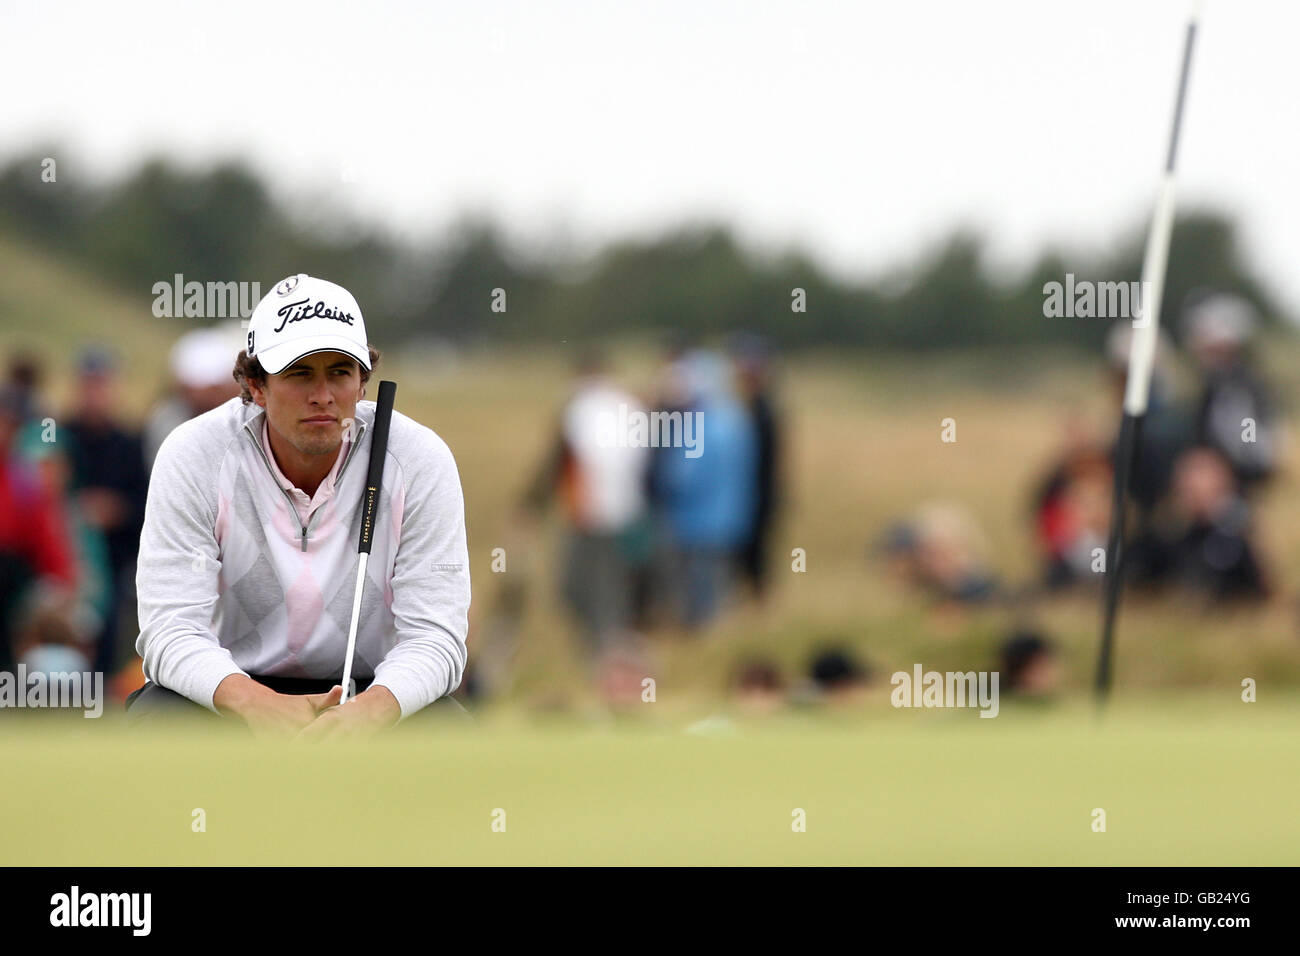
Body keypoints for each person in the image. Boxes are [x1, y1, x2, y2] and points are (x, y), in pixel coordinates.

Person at [127, 274, 471, 737]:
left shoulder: (418, 459)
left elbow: (436, 636)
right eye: (300, 373)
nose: (323, 396)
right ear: (256, 385)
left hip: (373, 691)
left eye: (340, 372)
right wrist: (253, 703)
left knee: (446, 730)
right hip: (230, 688)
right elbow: (169, 628)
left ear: (363, 382)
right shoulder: (193, 453)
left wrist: (371, 711)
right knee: (156, 721)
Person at [61, 347, 149, 677]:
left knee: (114, 610)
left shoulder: (128, 441)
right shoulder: (59, 433)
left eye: (100, 384)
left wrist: (116, 511)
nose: (94, 392)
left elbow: (146, 505)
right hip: (65, 554)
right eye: (88, 384)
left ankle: (107, 685)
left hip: (116, 558)